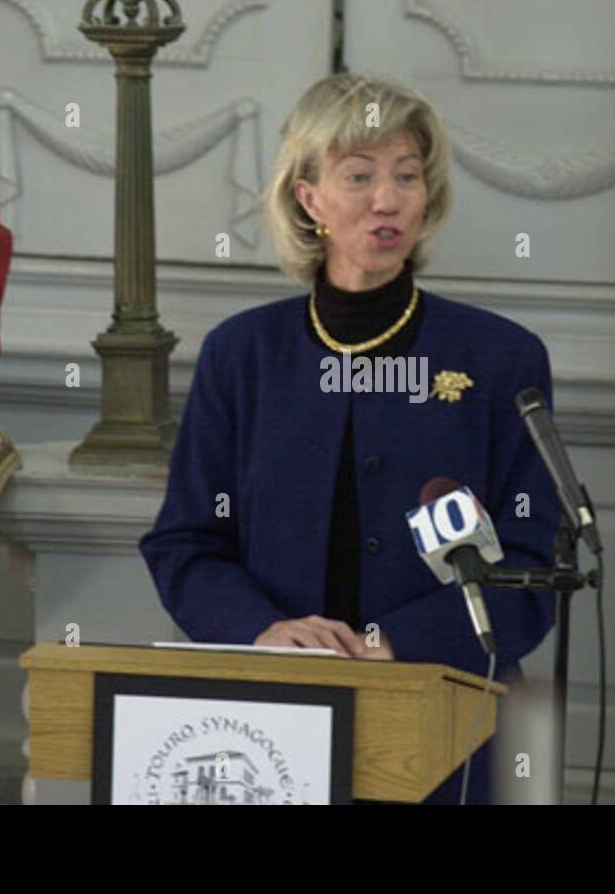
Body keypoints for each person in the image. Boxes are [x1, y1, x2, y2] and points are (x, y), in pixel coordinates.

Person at [139, 72, 560, 804]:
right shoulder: (243, 356)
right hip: (271, 718)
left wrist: (394, 641)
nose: (388, 198)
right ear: (310, 200)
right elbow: (185, 544)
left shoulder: (500, 358)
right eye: (359, 175)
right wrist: (264, 629)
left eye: (407, 175)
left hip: (448, 718)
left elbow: (531, 567)